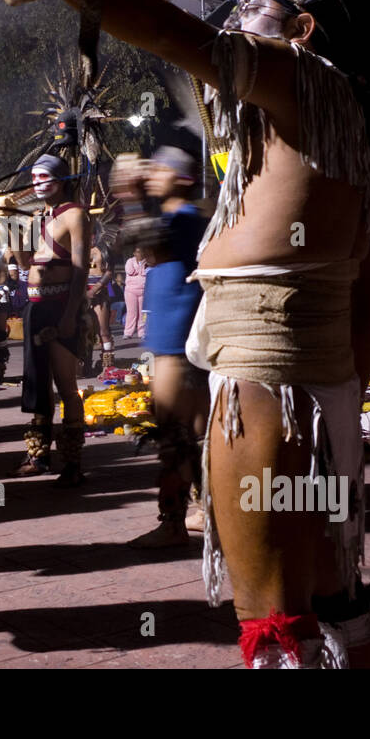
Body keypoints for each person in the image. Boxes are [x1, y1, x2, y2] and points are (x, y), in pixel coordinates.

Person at [0, 0, 370, 668]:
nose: (232, 26)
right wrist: (332, 400)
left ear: (306, 24)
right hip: (320, 398)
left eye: (251, 8)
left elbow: (165, 28)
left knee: (274, 625)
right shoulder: (348, 122)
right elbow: (368, 298)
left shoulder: (297, 78)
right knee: (335, 601)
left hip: (266, 390)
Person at [114, 147, 211, 549]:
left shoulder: (187, 219)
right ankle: (206, 511)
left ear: (184, 179)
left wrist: (132, 197)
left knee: (172, 431)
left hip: (177, 342)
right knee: (196, 433)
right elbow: (143, 246)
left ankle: (172, 523)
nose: (152, 171)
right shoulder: (178, 219)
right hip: (179, 339)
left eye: (160, 168)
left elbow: (146, 240)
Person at [12, 153, 92, 485]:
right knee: (37, 382)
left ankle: (72, 463)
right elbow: (26, 262)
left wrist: (71, 314)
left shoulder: (76, 215)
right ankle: (38, 455)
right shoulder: (35, 219)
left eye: (43, 177)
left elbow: (80, 268)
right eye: (33, 178)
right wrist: (16, 236)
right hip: (35, 308)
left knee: (65, 384)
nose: (37, 183)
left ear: (59, 181)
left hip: (61, 308)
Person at [123, 245, 149, 339]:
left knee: (143, 313)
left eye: (141, 252)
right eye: (137, 252)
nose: (140, 254)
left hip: (143, 291)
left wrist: (141, 267)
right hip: (131, 291)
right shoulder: (130, 261)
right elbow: (130, 271)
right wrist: (139, 268)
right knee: (131, 312)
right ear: (134, 253)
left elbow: (146, 273)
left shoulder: (147, 261)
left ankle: (142, 332)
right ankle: (128, 332)